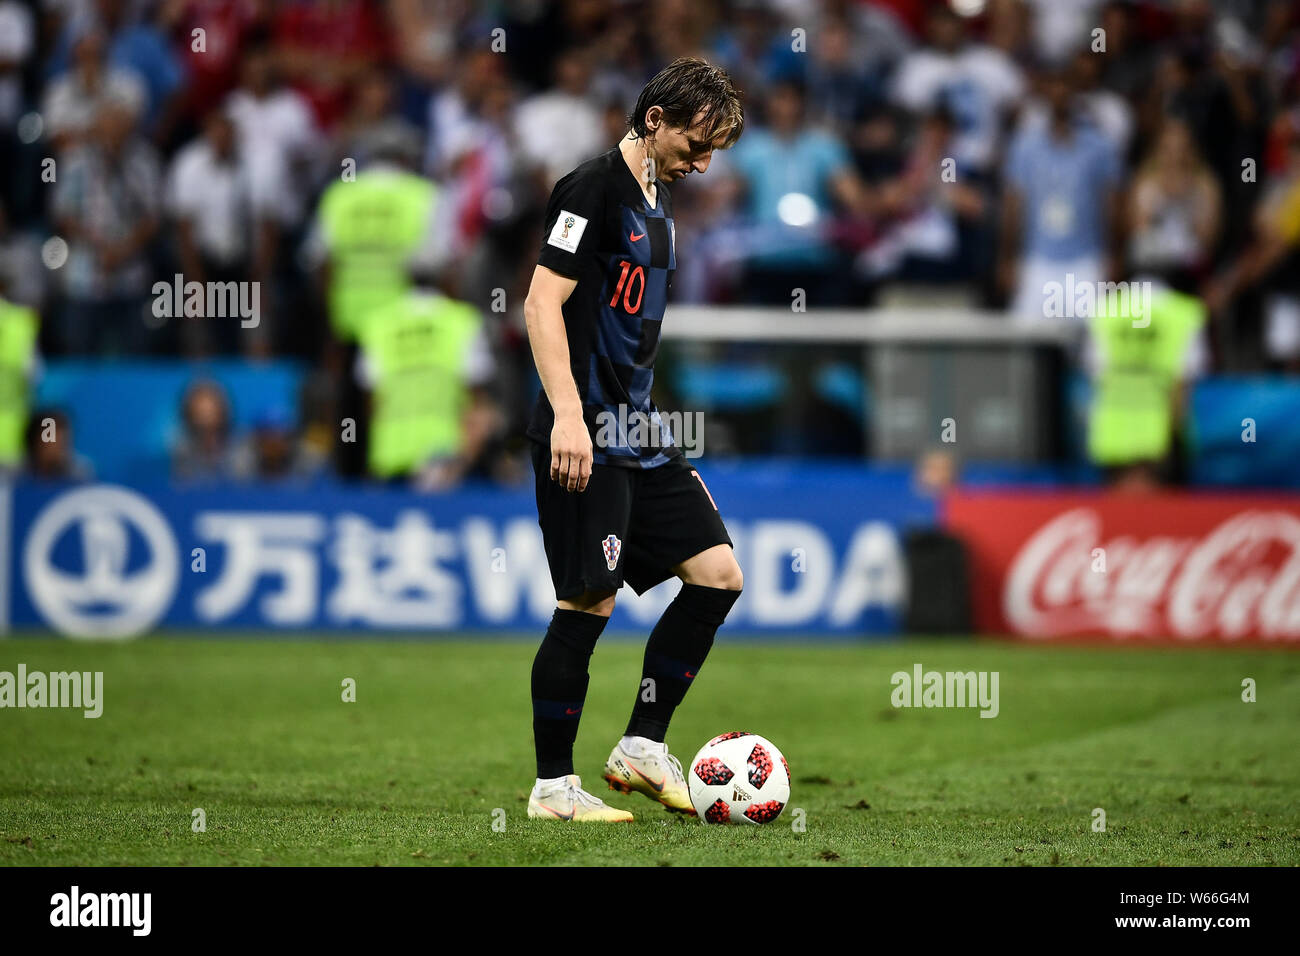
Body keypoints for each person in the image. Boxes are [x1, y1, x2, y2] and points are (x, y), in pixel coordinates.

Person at [522, 57, 745, 822]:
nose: (703, 161)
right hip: (584, 428)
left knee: (718, 574)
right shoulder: (592, 190)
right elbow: (541, 304)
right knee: (588, 599)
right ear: (655, 119)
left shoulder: (657, 196)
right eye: (696, 141)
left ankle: (642, 746)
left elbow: (632, 337)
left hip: (638, 431)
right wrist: (568, 417)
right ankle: (554, 789)